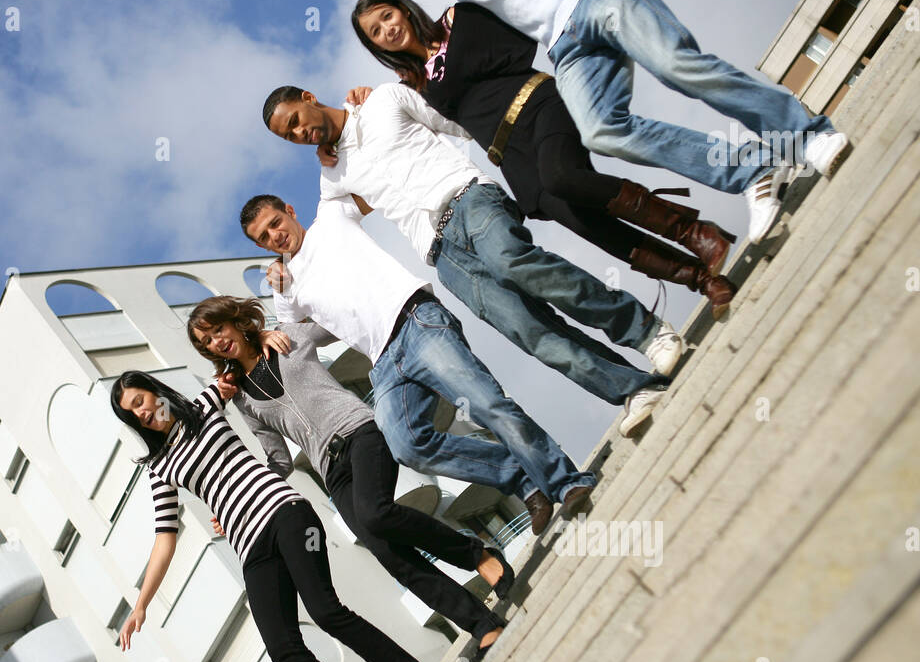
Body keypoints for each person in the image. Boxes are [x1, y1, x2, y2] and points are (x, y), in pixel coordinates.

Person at [366, 0, 850, 244]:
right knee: (601, 130)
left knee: (680, 68)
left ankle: (809, 136)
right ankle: (753, 172)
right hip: (566, 46)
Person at [263, 82, 672, 434]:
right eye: (289, 136)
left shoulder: (382, 99)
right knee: (523, 326)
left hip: (467, 199)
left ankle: (648, 332)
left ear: (308, 97)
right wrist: (284, 268)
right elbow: (317, 236)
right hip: (438, 251)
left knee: (514, 261)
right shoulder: (331, 176)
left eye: (296, 120)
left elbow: (456, 123)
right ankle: (634, 388)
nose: (300, 133)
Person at [347, 0, 736, 314]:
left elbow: (517, 39)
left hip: (537, 105)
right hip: (509, 154)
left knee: (563, 176)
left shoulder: (458, 18)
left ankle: (693, 231)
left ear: (403, 8)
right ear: (374, 45)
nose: (388, 29)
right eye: (376, 32)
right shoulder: (412, 84)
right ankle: (702, 279)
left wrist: (467, 68)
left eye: (387, 15)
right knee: (585, 222)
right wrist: (366, 101)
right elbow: (449, 125)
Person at [240, 192, 598, 535]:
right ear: (260, 246)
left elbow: (369, 185)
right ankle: (520, 476)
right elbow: (297, 338)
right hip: (381, 362)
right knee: (406, 444)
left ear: (290, 210)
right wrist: (263, 333)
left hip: (417, 323)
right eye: (264, 237)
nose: (276, 236)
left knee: (487, 405)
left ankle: (565, 482)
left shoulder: (331, 217)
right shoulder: (284, 284)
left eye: (276, 222)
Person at [187, 295, 512, 662]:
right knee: (387, 551)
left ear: (234, 319)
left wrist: (272, 329)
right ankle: (481, 624)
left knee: (375, 514)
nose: (217, 341)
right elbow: (277, 457)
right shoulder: (243, 397)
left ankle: (476, 554)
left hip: (360, 431)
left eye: (218, 329)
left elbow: (336, 320)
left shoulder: (289, 336)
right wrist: (240, 505)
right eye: (207, 341)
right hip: (330, 468)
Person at [111, 370, 453, 662]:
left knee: (327, 612)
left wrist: (264, 338)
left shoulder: (205, 406)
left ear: (155, 392)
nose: (140, 413)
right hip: (251, 549)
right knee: (282, 649)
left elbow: (240, 361)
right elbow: (164, 539)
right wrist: (141, 604)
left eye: (139, 401)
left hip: (286, 514)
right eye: (131, 413)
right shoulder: (159, 468)